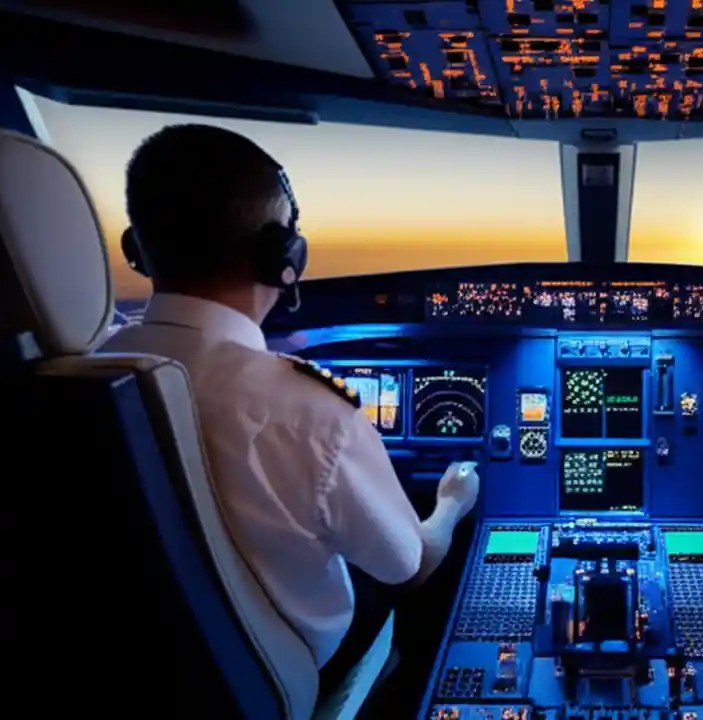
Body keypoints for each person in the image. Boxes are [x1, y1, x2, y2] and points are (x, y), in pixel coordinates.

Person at [98, 124, 478, 695]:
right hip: (273, 672)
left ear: (137, 248)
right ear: (283, 256)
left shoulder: (91, 372)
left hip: (135, 655)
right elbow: (414, 565)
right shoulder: (311, 416)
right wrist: (450, 504)